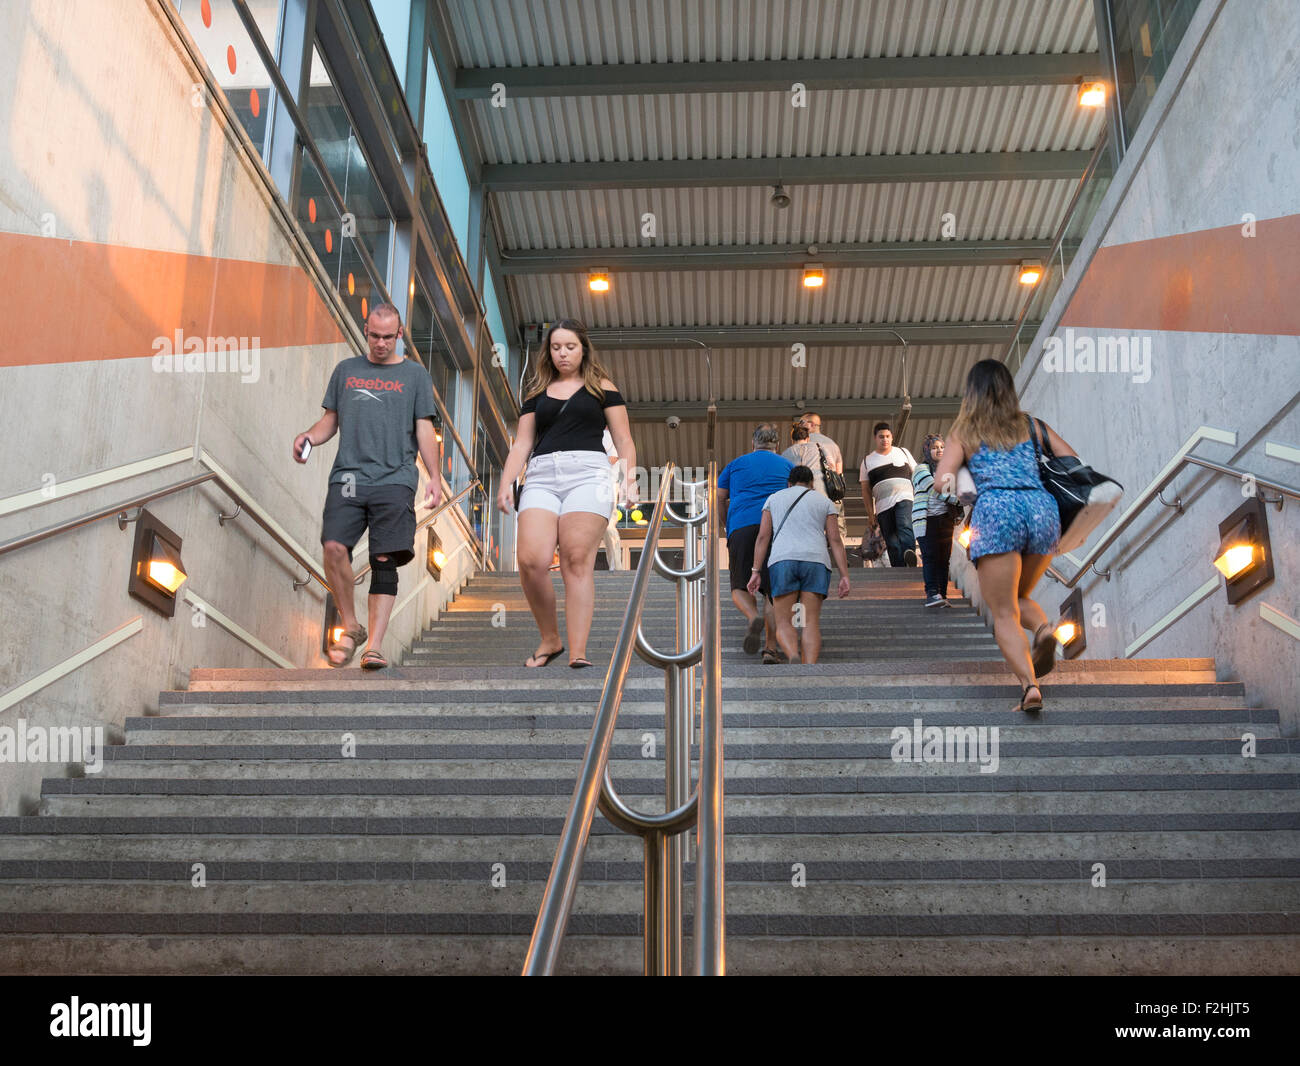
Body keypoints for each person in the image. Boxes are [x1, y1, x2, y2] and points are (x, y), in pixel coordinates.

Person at [294, 303, 442, 670]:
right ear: (366, 329)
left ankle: (374, 646)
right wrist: (309, 437)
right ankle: (351, 625)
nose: (379, 343)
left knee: (383, 559)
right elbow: (332, 420)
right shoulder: (346, 371)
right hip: (348, 476)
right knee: (333, 547)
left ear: (400, 334)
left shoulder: (415, 376)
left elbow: (425, 428)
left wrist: (435, 477)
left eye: (387, 337)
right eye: (373, 335)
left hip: (395, 479)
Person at [934, 359, 1077, 712]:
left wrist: (968, 486)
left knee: (1003, 613)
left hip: (997, 511)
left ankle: (1030, 686)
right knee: (1017, 595)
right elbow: (1072, 459)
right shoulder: (1030, 425)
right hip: (1043, 511)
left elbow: (941, 482)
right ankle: (1043, 629)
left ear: (972, 392)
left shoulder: (965, 430)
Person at [496, 319, 637, 668]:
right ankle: (550, 639)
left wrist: (630, 480)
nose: (562, 353)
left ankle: (578, 651)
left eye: (570, 347)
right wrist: (505, 483)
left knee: (576, 558)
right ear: (548, 351)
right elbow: (522, 444)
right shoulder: (536, 393)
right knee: (531, 560)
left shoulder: (602, 387)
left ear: (583, 349)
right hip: (542, 474)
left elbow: (623, 439)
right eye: (556, 347)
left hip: (589, 473)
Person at [747, 465, 851, 664]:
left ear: (789, 483)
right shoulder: (824, 501)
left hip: (783, 560)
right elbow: (835, 540)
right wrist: (844, 575)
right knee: (810, 621)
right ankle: (808, 667)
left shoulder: (774, 498)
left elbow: (762, 537)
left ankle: (793, 655)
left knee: (784, 620)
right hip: (816, 561)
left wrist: (755, 571)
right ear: (812, 483)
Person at [719, 424, 794, 662]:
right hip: (775, 528)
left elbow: (720, 497)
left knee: (740, 586)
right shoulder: (788, 466)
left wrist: (727, 525)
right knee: (774, 594)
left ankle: (752, 617)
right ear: (777, 446)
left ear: (753, 444)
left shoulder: (735, 464)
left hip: (741, 525)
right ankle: (770, 649)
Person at [912, 433, 961, 607]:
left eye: (941, 447)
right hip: (926, 520)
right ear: (927, 450)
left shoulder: (949, 471)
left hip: (945, 519)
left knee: (944, 559)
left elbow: (952, 492)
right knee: (930, 556)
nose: (939, 450)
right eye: (934, 447)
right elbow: (935, 490)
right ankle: (931, 593)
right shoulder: (921, 469)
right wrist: (959, 500)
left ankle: (943, 595)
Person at [859, 422, 917, 567]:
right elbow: (865, 490)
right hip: (882, 505)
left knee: (904, 524)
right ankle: (899, 568)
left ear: (891, 437)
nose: (884, 439)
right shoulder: (867, 461)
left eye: (887, 436)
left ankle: (910, 553)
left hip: (905, 497)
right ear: (875, 438)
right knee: (891, 540)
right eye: (881, 437)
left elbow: (917, 474)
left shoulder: (902, 452)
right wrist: (870, 514)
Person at [799, 412, 847, 542]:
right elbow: (839, 472)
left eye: (801, 422)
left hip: (812, 493)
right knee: (837, 532)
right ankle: (840, 559)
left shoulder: (804, 444)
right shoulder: (833, 445)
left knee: (813, 531)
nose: (799, 425)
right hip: (833, 495)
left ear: (811, 424)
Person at [781, 423, 828, 497]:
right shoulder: (818, 449)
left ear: (792, 439)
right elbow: (830, 465)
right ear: (808, 438)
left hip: (795, 494)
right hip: (818, 490)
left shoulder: (785, 453)